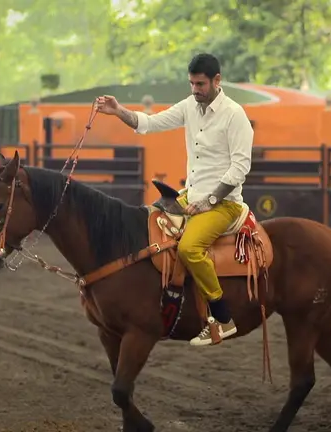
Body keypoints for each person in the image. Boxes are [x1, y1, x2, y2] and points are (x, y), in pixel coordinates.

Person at [95, 53, 254, 347]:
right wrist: (119, 111)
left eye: (201, 84)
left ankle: (222, 318)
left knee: (190, 248)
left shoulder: (235, 115)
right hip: (190, 197)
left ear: (217, 81)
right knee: (150, 223)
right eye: (192, 83)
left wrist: (209, 200)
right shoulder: (189, 106)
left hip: (224, 203)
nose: (195, 90)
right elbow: (150, 123)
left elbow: (241, 167)